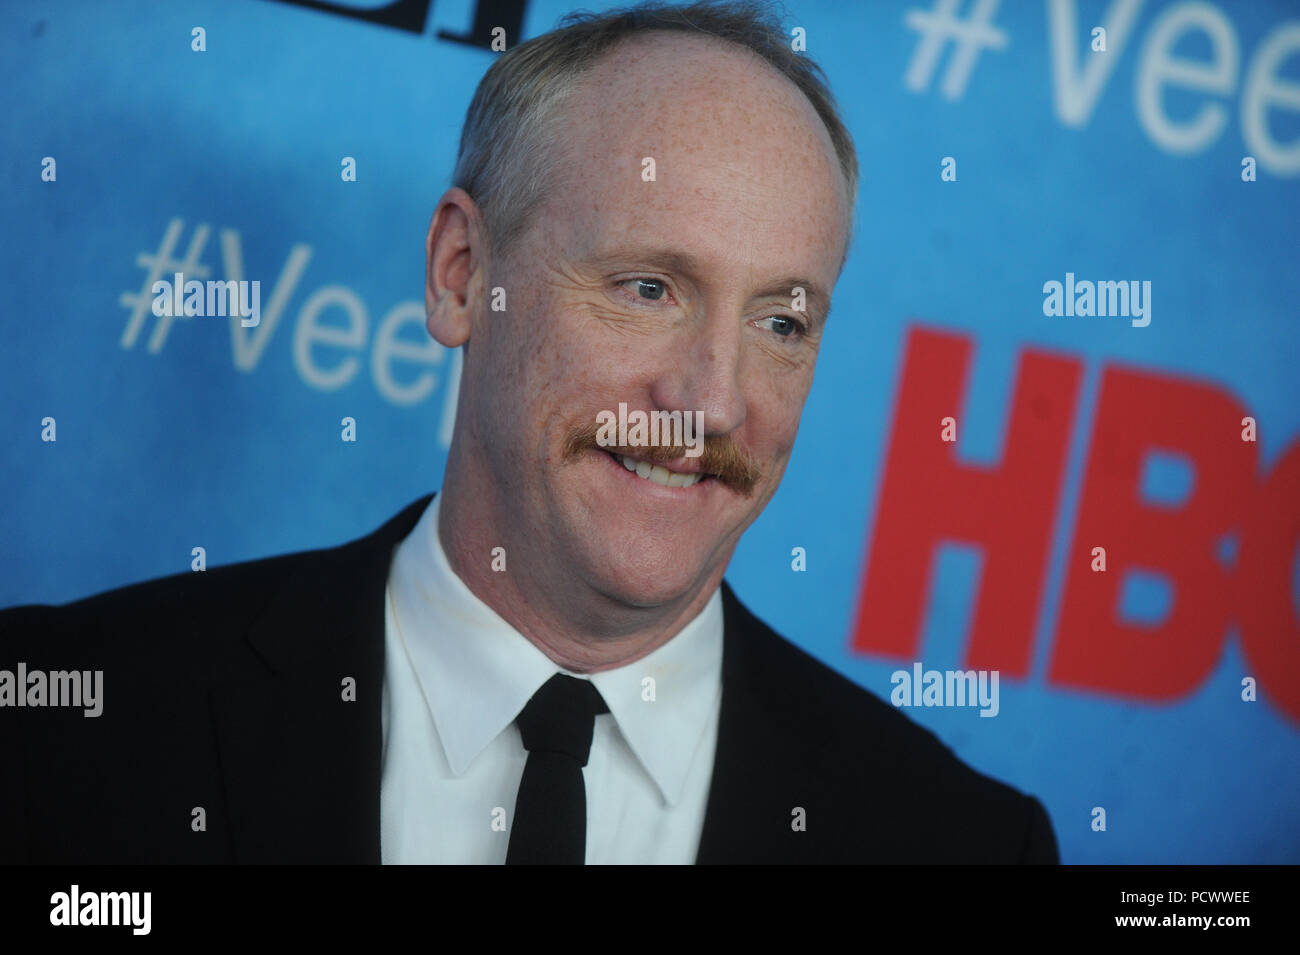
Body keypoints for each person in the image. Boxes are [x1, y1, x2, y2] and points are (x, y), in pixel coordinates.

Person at [0, 0, 1058, 864]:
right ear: (462, 274)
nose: (716, 399)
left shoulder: (959, 842)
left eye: (781, 320)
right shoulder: (63, 721)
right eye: (648, 287)